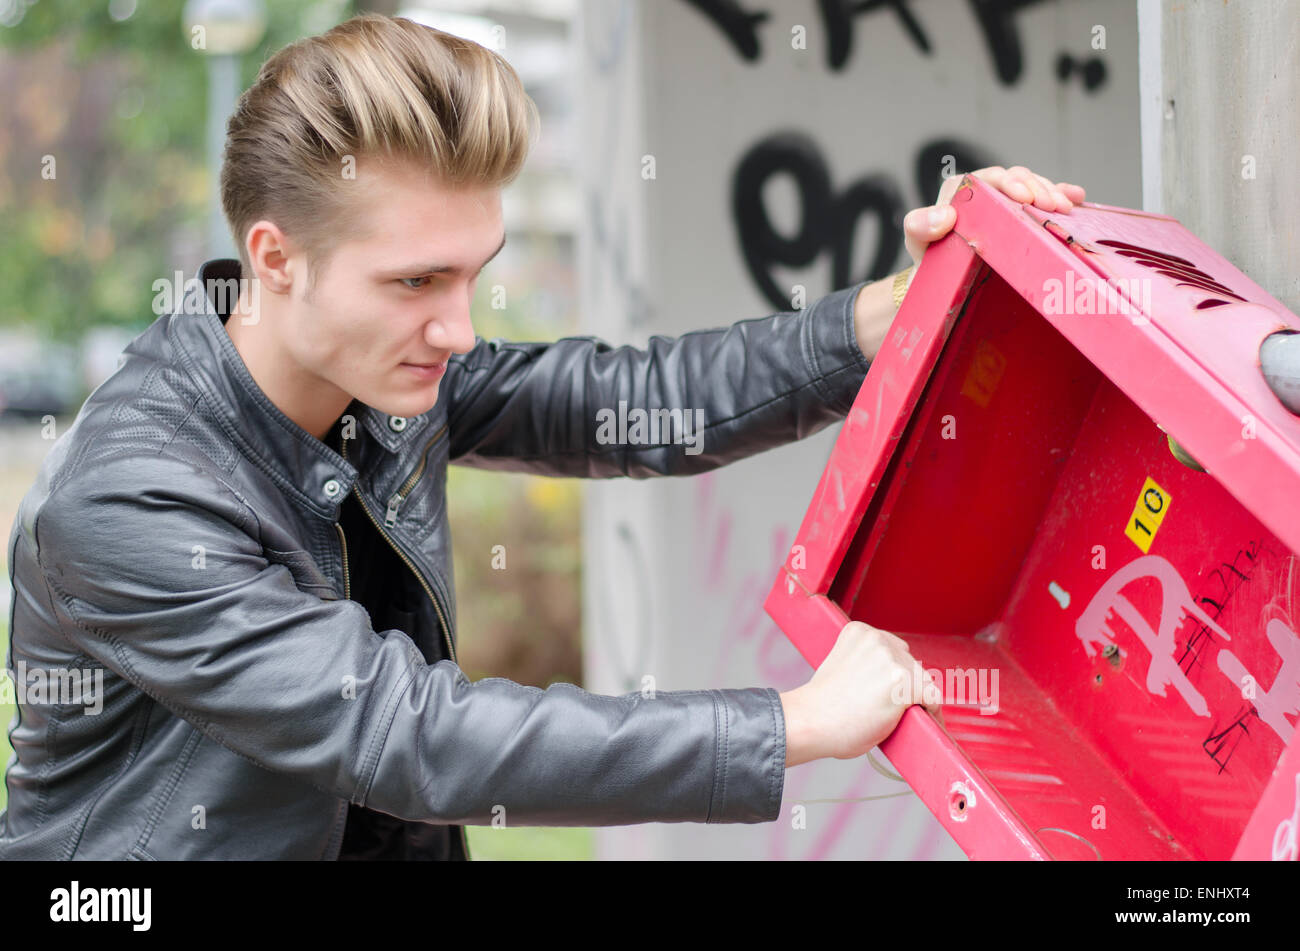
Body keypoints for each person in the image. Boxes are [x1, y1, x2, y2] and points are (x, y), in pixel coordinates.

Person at [0, 13, 1084, 860]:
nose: (460, 329)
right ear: (275, 258)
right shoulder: (132, 501)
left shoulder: (377, 369)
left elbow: (620, 399)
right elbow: (414, 738)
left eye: (474, 272)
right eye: (415, 281)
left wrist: (883, 322)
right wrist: (794, 722)